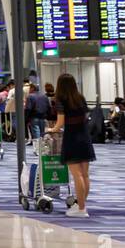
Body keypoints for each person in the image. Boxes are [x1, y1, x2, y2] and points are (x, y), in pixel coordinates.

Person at [49, 73, 94, 217]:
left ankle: (81, 209)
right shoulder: (80, 98)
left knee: (77, 175)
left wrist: (52, 129)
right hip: (84, 137)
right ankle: (81, 205)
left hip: (71, 138)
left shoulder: (61, 100)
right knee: (85, 175)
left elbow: (60, 122)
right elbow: (86, 117)